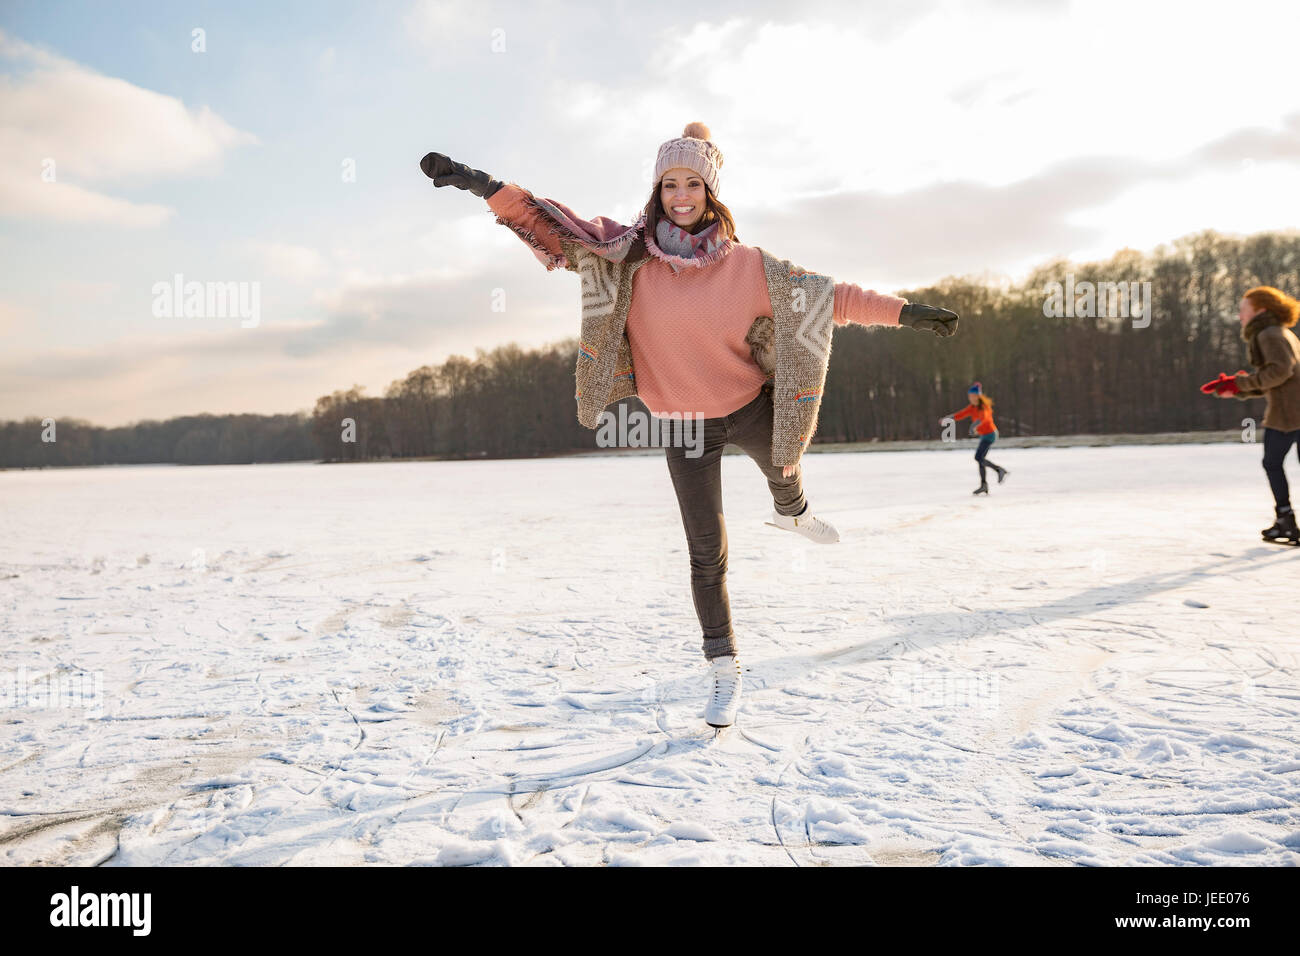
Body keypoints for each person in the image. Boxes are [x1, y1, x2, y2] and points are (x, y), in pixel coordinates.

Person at [420, 122, 960, 728]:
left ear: (711, 190)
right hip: (682, 426)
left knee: (785, 457)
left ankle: (793, 510)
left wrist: (907, 313)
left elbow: (829, 296)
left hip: (747, 403)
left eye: (693, 182)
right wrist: (479, 184)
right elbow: (547, 224)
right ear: (656, 191)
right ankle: (723, 668)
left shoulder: (752, 267)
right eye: (669, 183)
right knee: (707, 554)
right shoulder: (622, 259)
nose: (681, 194)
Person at [1201, 286, 1300, 544]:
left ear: (1261, 310)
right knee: (1272, 462)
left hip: (1291, 414)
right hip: (1288, 411)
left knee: (1271, 462)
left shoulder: (1269, 334)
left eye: (1243, 309)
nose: (1239, 315)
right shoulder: (1278, 332)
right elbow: (1278, 379)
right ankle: (1285, 520)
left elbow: (1280, 372)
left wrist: (1239, 384)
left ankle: (1285, 519)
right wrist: (1238, 390)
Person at [946, 382, 1006, 495]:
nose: (970, 398)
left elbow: (983, 418)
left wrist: (974, 426)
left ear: (978, 396)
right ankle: (984, 485)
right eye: (969, 396)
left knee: (978, 457)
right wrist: (950, 417)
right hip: (984, 435)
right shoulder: (972, 407)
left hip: (990, 435)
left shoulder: (985, 407)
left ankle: (999, 470)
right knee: (981, 459)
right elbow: (962, 414)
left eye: (972, 396)